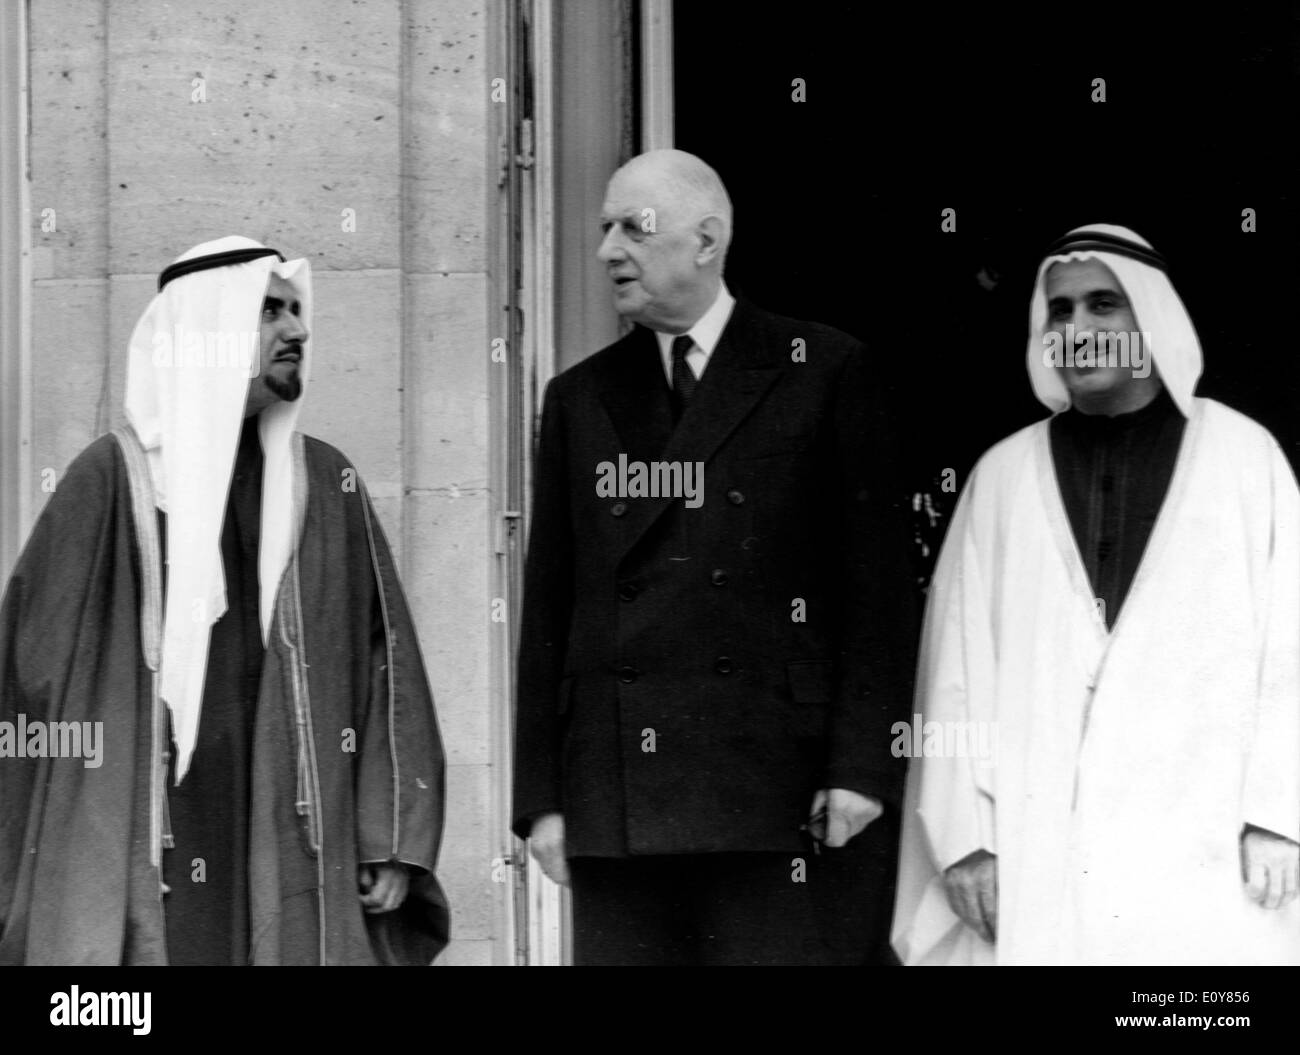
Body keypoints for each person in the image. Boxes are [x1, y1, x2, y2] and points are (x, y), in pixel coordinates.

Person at [512, 149, 916, 965]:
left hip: (780, 790)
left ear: (706, 239)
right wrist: (541, 801)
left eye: (633, 227)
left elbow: (877, 591)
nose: (607, 251)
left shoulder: (823, 370)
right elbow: (549, 607)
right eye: (602, 230)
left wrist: (861, 766)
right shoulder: (578, 397)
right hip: (619, 799)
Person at [0, 236, 449, 965]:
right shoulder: (111, 482)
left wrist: (386, 835)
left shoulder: (327, 483)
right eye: (270, 311)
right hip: (153, 824)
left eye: (297, 312)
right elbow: (28, 682)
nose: (298, 331)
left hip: (286, 818)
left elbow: (386, 665)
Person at [892, 224, 1300, 966]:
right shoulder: (1003, 476)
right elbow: (952, 673)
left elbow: (1292, 650)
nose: (1077, 328)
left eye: (1102, 305)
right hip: (1034, 843)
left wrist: (1279, 813)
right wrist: (964, 840)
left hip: (1207, 844)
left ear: (1153, 317)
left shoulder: (1246, 459)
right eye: (1060, 310)